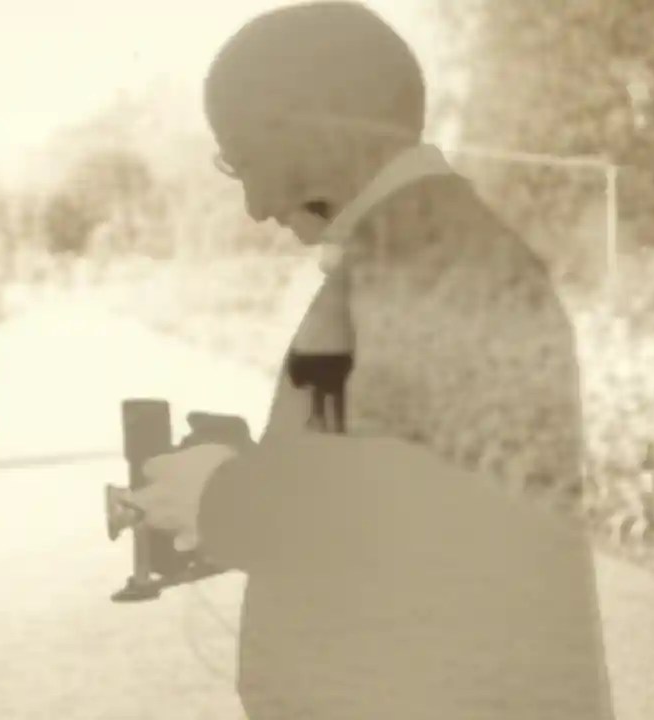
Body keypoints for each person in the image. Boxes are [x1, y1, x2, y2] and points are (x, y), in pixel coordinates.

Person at [126, 3, 615, 718]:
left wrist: (222, 498)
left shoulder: (427, 263)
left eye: (248, 162)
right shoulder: (425, 250)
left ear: (317, 128)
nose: (258, 206)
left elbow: (405, 522)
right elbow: (377, 476)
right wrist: (251, 477)